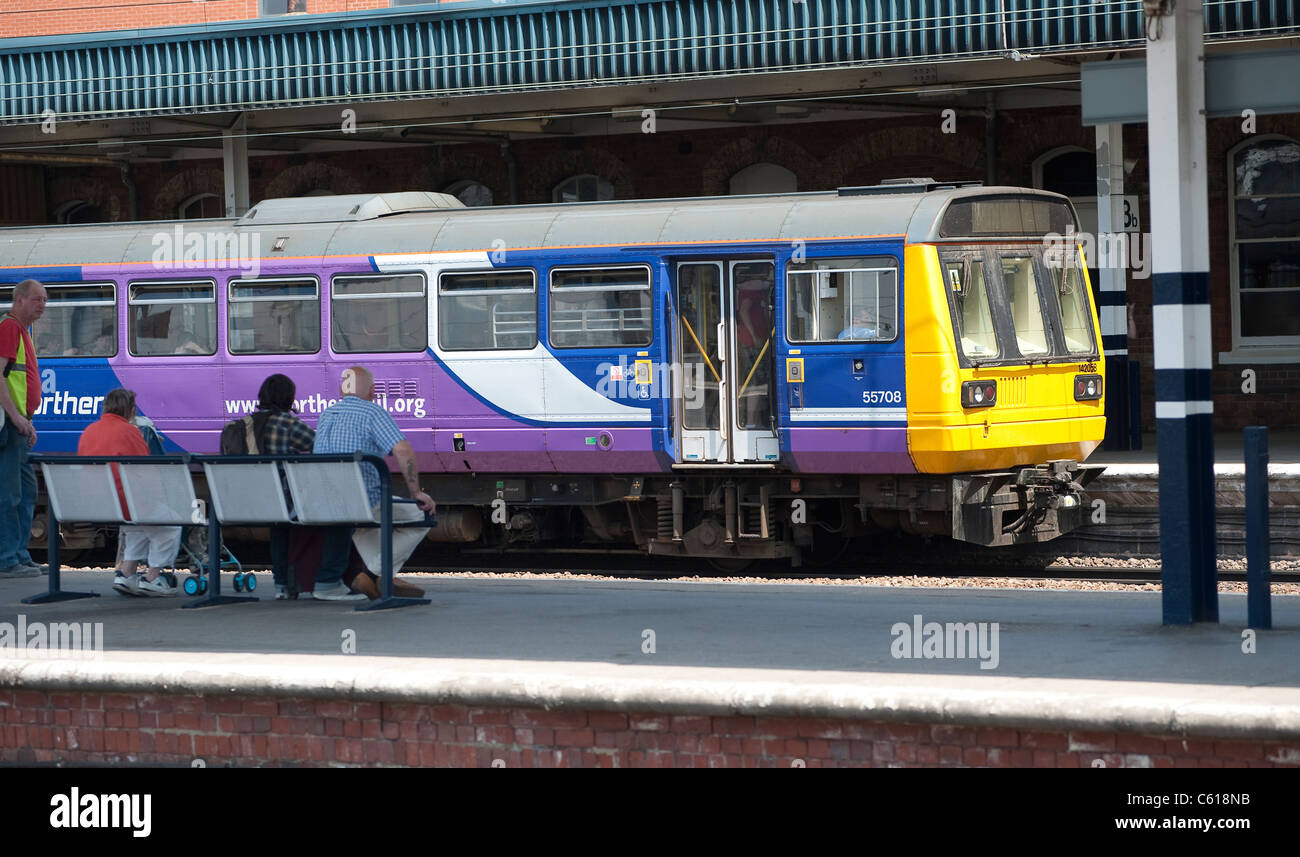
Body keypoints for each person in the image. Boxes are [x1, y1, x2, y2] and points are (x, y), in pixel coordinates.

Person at [312, 366, 434, 601]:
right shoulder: (372, 412)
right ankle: (373, 573)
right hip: (362, 503)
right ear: (373, 391)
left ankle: (375, 579)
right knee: (422, 516)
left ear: (341, 390)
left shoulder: (326, 415)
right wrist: (416, 492)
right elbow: (403, 449)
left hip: (326, 504)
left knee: (365, 526)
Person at [78, 389, 183, 597]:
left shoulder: (89, 431)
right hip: (127, 504)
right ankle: (153, 577)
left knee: (138, 524)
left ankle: (126, 573)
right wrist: (160, 498)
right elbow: (147, 474)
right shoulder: (130, 432)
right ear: (131, 410)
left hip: (99, 505)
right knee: (172, 524)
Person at [249, 374, 319, 600]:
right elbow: (320, 445)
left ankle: (282, 584)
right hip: (285, 503)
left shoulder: (238, 426)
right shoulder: (288, 424)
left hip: (243, 503)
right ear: (289, 399)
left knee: (278, 523)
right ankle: (306, 580)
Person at [1, 279, 47, 578]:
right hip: (9, 423)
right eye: (37, 299)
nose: (42, 305)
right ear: (19, 300)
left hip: (20, 422)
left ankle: (19, 553)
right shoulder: (9, 328)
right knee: (10, 494)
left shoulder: (23, 331)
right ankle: (7, 559)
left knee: (28, 491)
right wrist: (17, 418)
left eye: (45, 300)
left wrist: (26, 421)